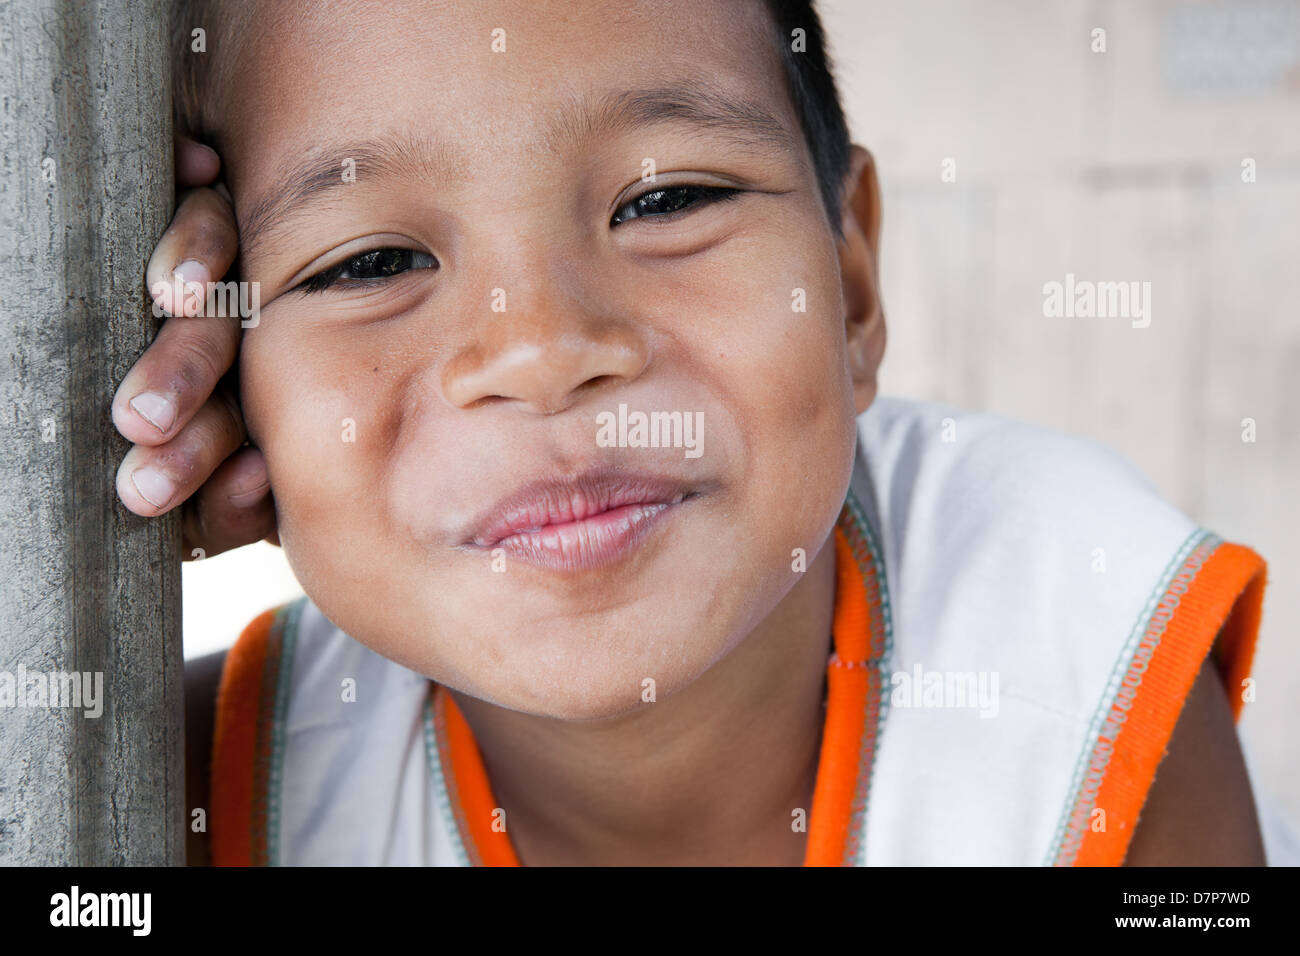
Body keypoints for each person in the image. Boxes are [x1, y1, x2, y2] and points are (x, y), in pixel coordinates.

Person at [114, 0, 1270, 866]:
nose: (542, 350)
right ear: (227, 386)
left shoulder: (1086, 671)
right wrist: (81, 519)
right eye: (367, 263)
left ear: (851, 288)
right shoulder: (197, 781)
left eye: (667, 200)